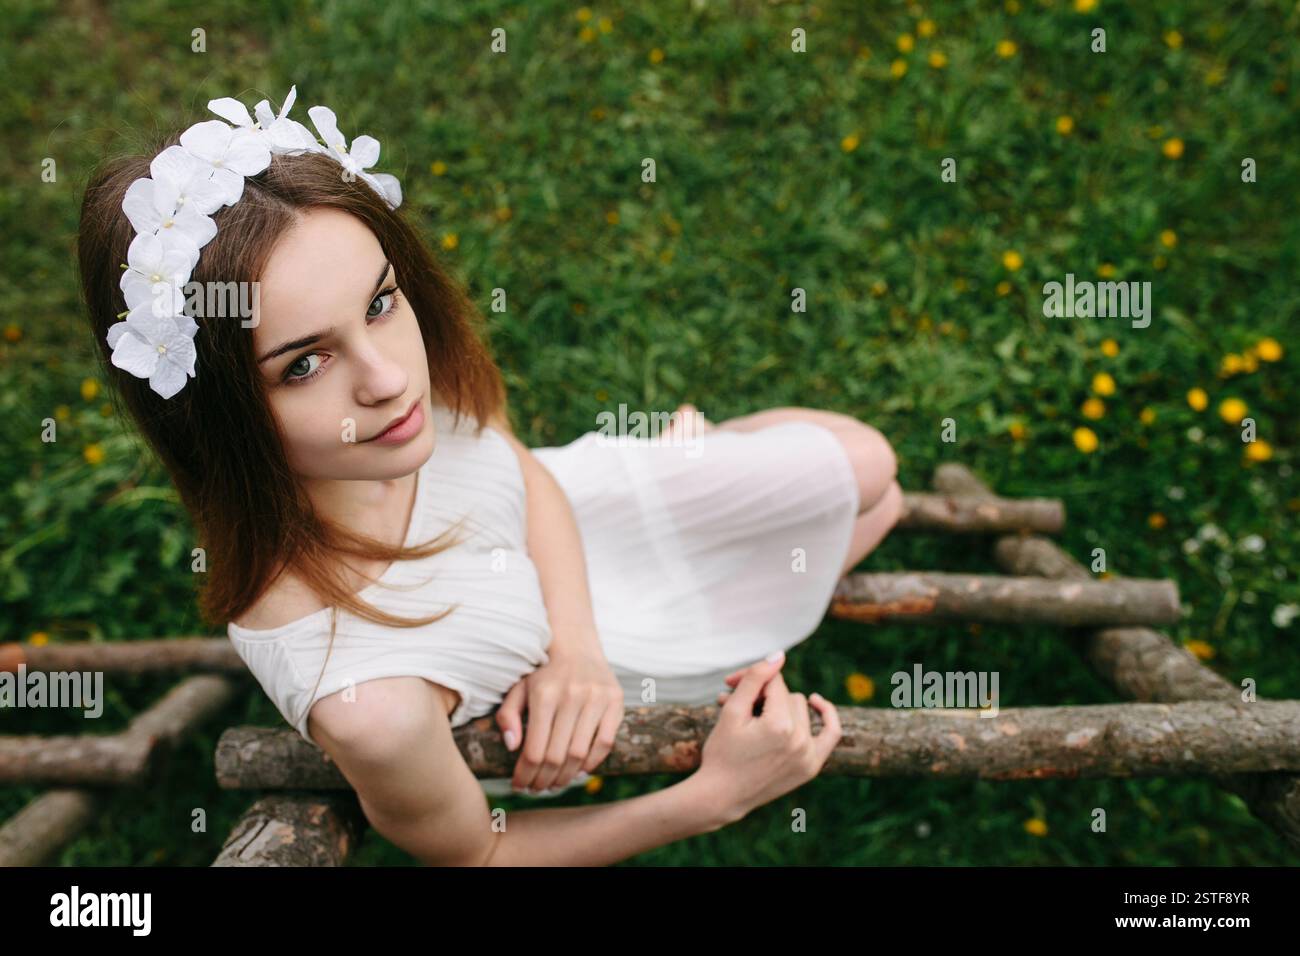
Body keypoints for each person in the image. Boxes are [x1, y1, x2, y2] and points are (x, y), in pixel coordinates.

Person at [76, 87, 903, 865]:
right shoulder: (372, 706)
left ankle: (705, 454)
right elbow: (480, 852)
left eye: (379, 303)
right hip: (618, 658)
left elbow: (513, 465)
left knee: (873, 467)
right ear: (217, 415)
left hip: (569, 526)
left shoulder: (389, 410)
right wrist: (713, 797)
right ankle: (724, 524)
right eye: (303, 365)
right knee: (873, 507)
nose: (392, 380)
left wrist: (571, 648)